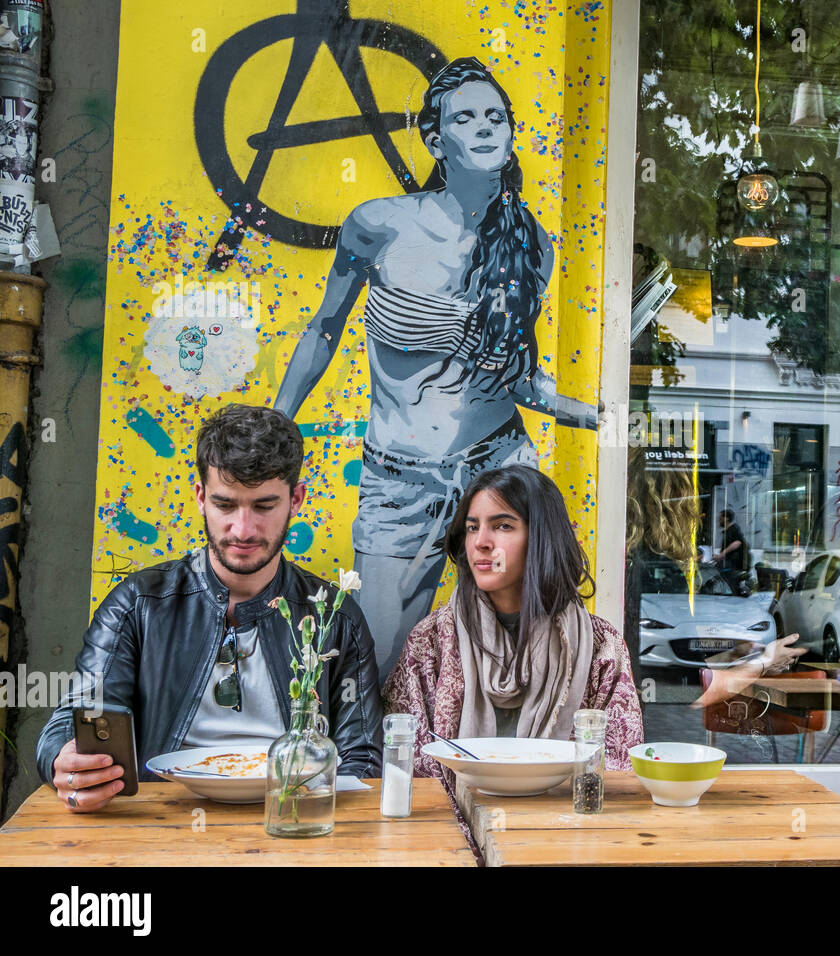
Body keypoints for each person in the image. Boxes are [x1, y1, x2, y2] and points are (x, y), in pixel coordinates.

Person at [273, 57, 597, 686]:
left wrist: (581, 411)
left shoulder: (530, 241)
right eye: (466, 117)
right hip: (400, 478)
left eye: (496, 116)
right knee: (371, 671)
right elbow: (323, 329)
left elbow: (509, 369)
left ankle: (495, 783)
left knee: (519, 664)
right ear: (435, 139)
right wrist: (273, 431)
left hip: (500, 466)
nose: (485, 128)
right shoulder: (379, 225)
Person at [36, 405, 383, 812]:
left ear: (297, 499)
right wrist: (65, 758)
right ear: (200, 497)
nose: (243, 529)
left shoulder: (335, 619)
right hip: (162, 819)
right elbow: (79, 719)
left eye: (264, 506)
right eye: (225, 504)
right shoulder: (137, 604)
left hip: (293, 816)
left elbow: (361, 759)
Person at [383, 466, 643, 787]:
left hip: (565, 829)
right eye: (472, 527)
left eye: (502, 525)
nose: (481, 542)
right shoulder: (430, 643)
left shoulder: (602, 648)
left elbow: (618, 773)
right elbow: (410, 775)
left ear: (542, 538)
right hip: (452, 832)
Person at [715, 509, 749, 589]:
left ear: (726, 518)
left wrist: (722, 554)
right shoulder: (728, 531)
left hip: (732, 566)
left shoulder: (733, 529)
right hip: (729, 565)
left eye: (720, 518)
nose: (719, 521)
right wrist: (719, 556)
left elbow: (737, 543)